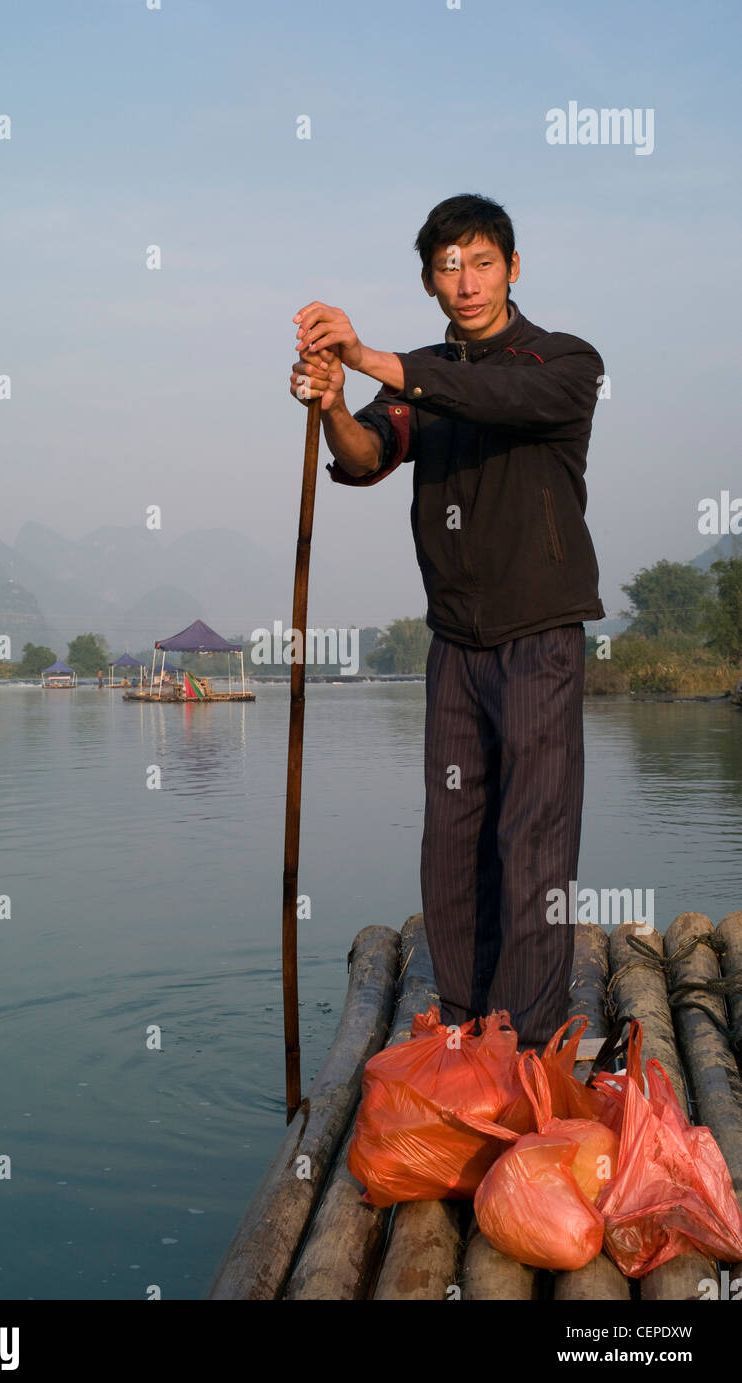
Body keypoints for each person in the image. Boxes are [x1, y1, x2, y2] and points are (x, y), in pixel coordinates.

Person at [289, 193, 605, 1049]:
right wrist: (333, 402)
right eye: (446, 266)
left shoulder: (564, 362)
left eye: (481, 262)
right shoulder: (421, 371)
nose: (464, 282)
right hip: (457, 643)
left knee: (532, 836)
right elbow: (366, 456)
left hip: (540, 633)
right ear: (429, 281)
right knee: (454, 837)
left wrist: (368, 355)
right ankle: (465, 1018)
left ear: (511, 267)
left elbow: (492, 397)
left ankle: (525, 1036)